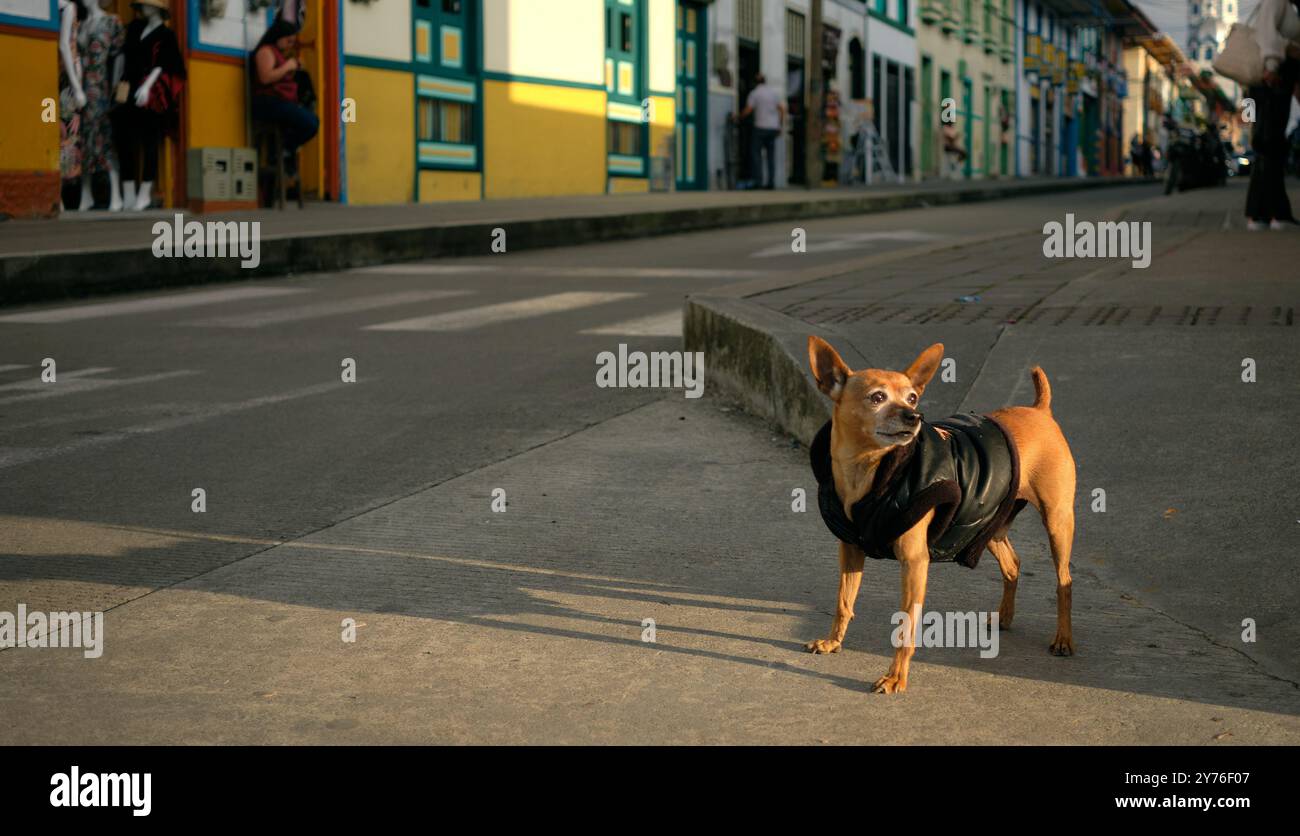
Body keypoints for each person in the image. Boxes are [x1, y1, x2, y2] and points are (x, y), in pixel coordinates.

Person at [1245, 0, 1300, 229]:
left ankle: (1260, 214)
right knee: (1270, 145)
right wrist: (1272, 65)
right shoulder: (1276, 1)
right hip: (1271, 80)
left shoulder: (1288, 6)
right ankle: (1275, 213)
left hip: (1277, 79)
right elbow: (1267, 35)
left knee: (1269, 146)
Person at [250, 20, 319, 175]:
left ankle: (284, 151)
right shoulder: (266, 51)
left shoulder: (279, 54)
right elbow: (265, 78)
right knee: (310, 123)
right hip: (267, 102)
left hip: (280, 102)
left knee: (310, 119)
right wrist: (288, 66)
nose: (290, 45)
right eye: (288, 40)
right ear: (278, 36)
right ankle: (285, 151)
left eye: (292, 42)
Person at [739, 73, 784, 189]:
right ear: (765, 81)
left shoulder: (755, 93)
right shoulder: (773, 93)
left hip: (760, 128)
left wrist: (738, 117)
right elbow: (782, 109)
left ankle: (758, 181)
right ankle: (771, 183)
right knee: (771, 156)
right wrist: (780, 125)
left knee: (756, 155)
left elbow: (749, 109)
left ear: (755, 82)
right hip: (773, 128)